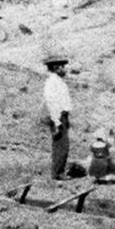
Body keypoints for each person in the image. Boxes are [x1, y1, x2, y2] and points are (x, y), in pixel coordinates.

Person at [42, 48, 72, 180]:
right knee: (61, 145)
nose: (64, 69)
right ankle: (58, 173)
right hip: (57, 116)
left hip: (62, 116)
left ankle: (59, 171)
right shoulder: (52, 82)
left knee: (63, 144)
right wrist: (57, 121)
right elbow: (51, 102)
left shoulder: (58, 81)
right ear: (56, 67)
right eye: (62, 67)